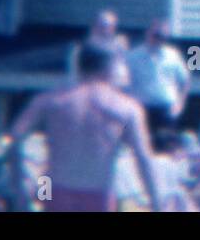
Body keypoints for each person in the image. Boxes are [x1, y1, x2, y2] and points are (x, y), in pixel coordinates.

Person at [10, 44, 161, 212]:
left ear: (79, 66)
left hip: (55, 190)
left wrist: (20, 190)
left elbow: (16, 138)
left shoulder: (51, 100)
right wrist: (156, 203)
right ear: (109, 67)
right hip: (99, 195)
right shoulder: (126, 107)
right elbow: (143, 158)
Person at [127, 19, 191, 148]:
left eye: (163, 36)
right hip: (142, 109)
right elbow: (125, 83)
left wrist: (180, 104)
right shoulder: (133, 57)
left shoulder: (173, 55)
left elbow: (185, 81)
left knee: (167, 148)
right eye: (156, 35)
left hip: (166, 110)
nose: (159, 39)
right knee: (142, 146)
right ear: (148, 33)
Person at [68, 9, 131, 88]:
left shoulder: (119, 48)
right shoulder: (81, 50)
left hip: (115, 91)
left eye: (111, 27)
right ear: (94, 27)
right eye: (103, 26)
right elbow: (75, 76)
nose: (107, 30)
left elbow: (123, 76)